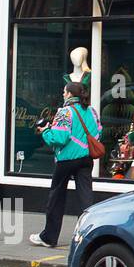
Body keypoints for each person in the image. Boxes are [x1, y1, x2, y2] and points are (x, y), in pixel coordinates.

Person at [29, 82, 98, 248]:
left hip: (67, 160)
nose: (62, 94)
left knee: (56, 198)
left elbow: (59, 138)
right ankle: (90, 237)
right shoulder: (92, 111)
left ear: (69, 94)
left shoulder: (64, 112)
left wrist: (45, 131)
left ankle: (49, 237)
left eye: (64, 91)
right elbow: (98, 132)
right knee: (85, 198)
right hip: (86, 159)